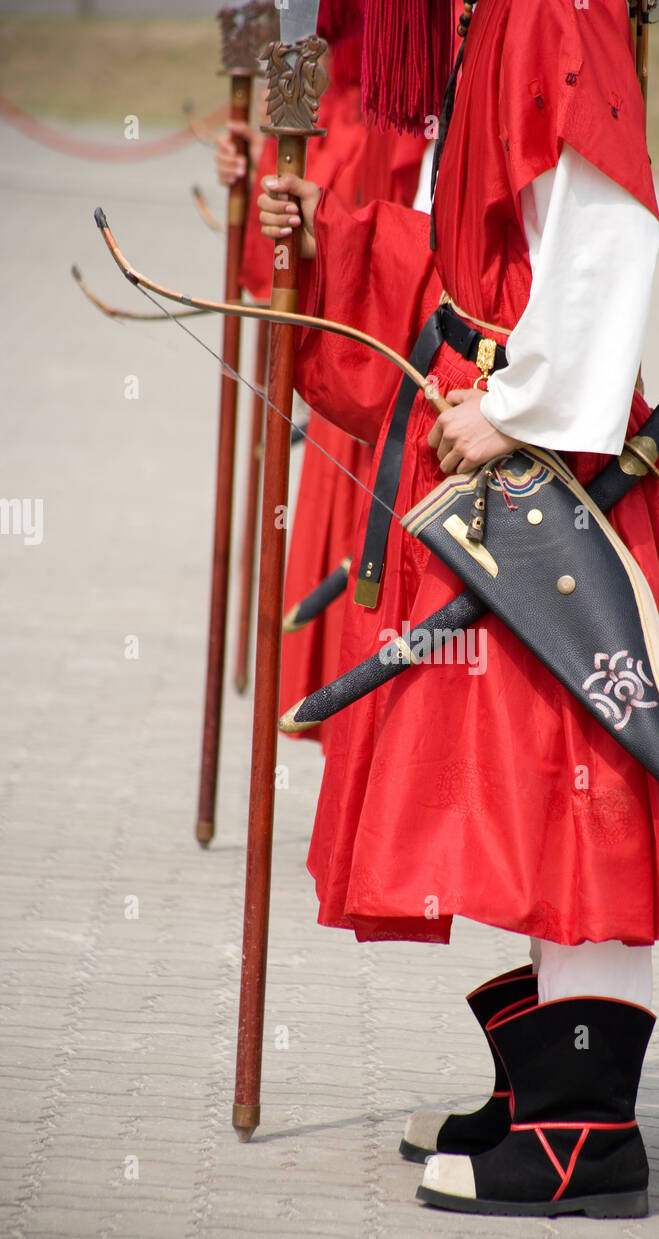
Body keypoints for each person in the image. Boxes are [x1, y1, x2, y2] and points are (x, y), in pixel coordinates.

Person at [256, 0, 659, 1216]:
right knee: (536, 793)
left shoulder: (548, 7)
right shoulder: (487, 22)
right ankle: (537, 1090)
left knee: (585, 784)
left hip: (554, 474)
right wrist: (325, 239)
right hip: (506, 450)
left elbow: (604, 228)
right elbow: (462, 253)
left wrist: (527, 409)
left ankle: (585, 1134)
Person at [215, 29, 428, 751]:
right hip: (369, 349)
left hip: (421, 356)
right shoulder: (346, 76)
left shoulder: (427, 73)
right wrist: (261, 184)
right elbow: (315, 211)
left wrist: (339, 236)